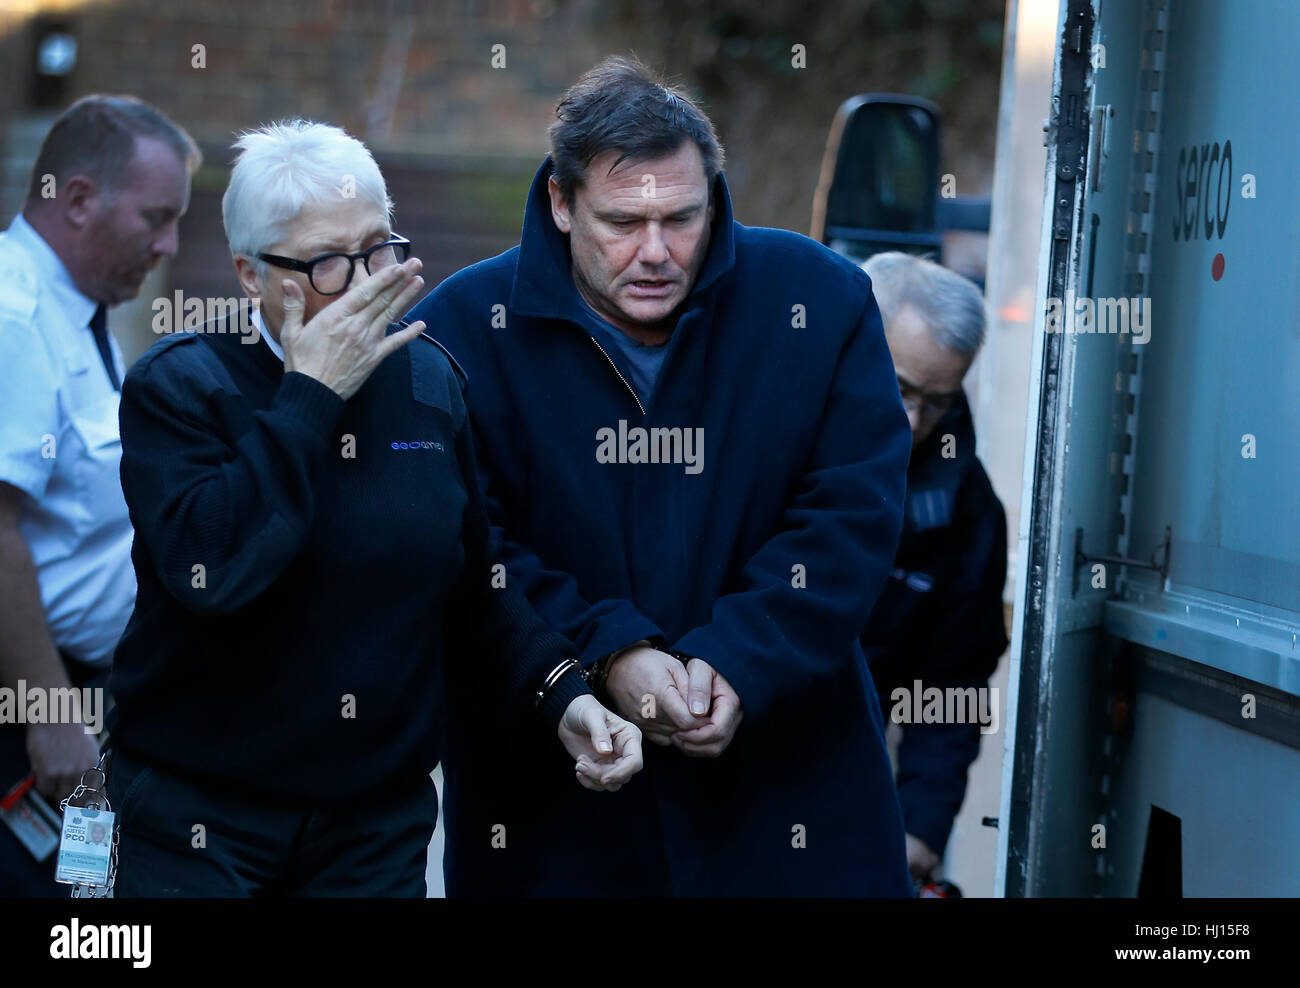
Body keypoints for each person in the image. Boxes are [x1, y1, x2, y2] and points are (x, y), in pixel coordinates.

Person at [407, 55, 914, 896]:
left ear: (713, 196)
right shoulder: (456, 330)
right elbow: (464, 547)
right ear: (562, 204)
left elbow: (851, 515)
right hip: (554, 812)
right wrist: (608, 654)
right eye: (621, 222)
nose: (655, 254)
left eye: (682, 218)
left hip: (792, 800)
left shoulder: (820, 301)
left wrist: (741, 659)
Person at [104, 120, 642, 897]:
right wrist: (311, 396)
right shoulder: (182, 389)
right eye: (327, 262)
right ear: (251, 276)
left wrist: (563, 694)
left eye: (378, 248)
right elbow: (211, 570)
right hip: (198, 825)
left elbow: (472, 585)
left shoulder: (428, 381)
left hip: (372, 828)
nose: (365, 282)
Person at [0, 95, 199, 896]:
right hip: (32, 718)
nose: (169, 244)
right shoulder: (15, 317)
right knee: (59, 914)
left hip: (87, 708)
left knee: (85, 905)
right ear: (78, 199)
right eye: (156, 218)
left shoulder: (77, 313)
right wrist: (46, 711)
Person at [857, 251, 1009, 884]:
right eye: (899, 387)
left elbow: (952, 683)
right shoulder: (759, 442)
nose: (911, 421)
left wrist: (921, 822)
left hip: (836, 787)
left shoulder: (969, 512)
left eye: (937, 401)